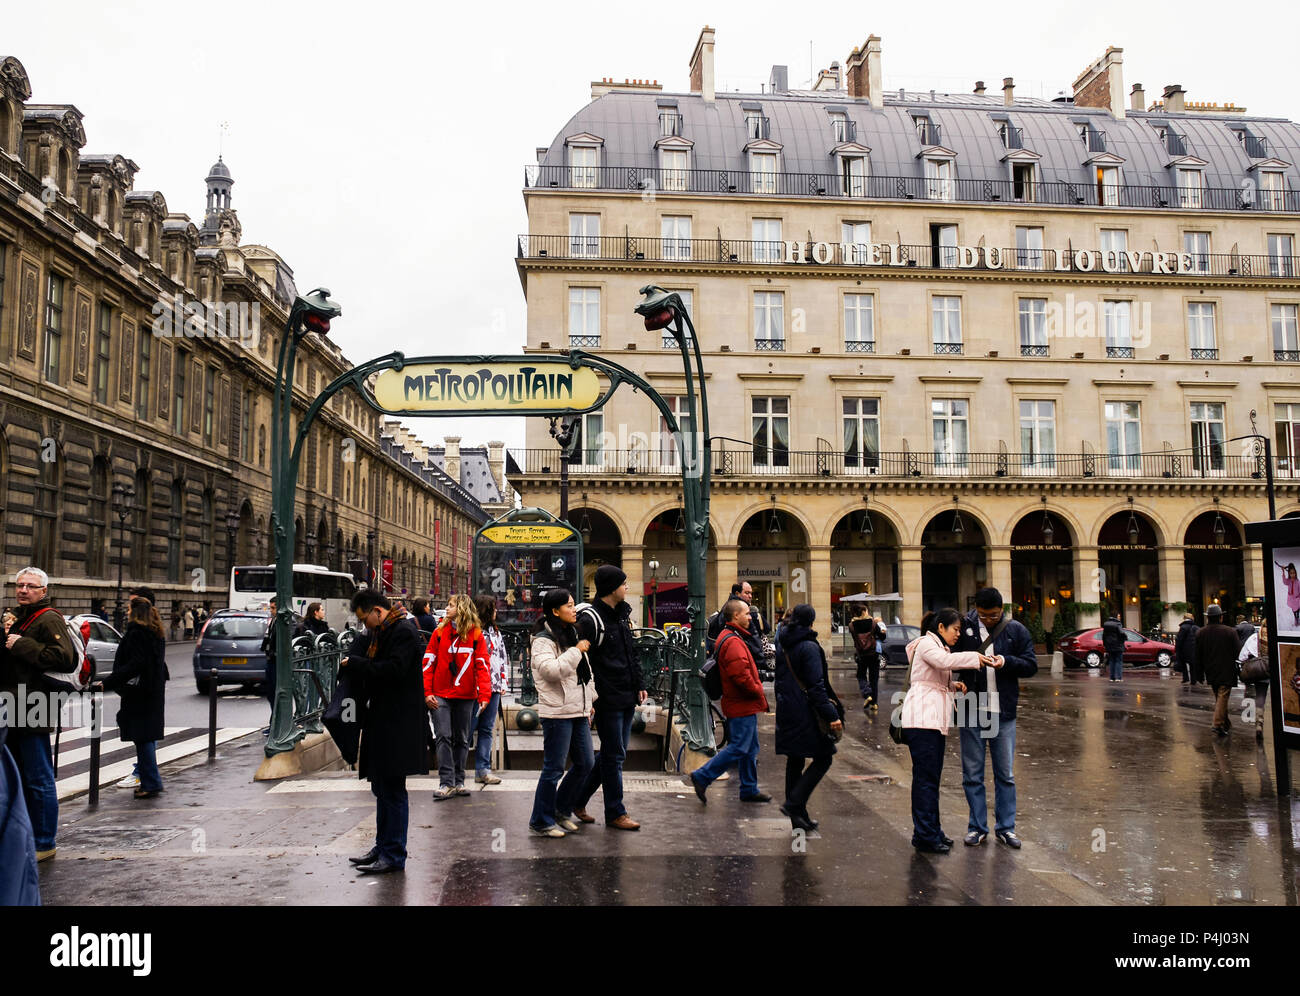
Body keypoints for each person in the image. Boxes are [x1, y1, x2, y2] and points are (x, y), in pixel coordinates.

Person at [341, 589, 428, 874]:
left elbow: (393, 671)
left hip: (398, 723)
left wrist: (358, 664)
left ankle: (393, 853)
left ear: (378, 610)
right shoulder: (381, 632)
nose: (364, 625)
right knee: (381, 788)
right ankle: (383, 846)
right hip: (384, 721)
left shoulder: (402, 631)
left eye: (365, 619)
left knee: (393, 790)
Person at [0, 567, 76, 862]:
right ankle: (25, 834)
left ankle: (44, 840)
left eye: (31, 586)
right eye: (20, 585)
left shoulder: (48, 618)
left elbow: (64, 658)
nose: (23, 590)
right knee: (16, 774)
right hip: (14, 704)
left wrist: (22, 644)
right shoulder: (19, 618)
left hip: (34, 705)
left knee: (38, 776)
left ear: (43, 591)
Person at [955, 587, 1037, 849]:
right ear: (975, 609)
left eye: (993, 615)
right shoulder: (964, 628)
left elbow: (1031, 665)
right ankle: (977, 827)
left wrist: (1006, 661)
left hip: (1002, 708)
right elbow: (949, 660)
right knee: (972, 772)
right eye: (983, 615)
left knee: (1005, 773)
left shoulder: (1015, 630)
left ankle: (1006, 827)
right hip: (971, 706)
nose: (988, 620)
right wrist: (971, 661)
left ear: (1002, 610)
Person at [901, 608, 988, 854]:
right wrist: (975, 658)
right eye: (955, 629)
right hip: (922, 721)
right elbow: (943, 663)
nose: (958, 634)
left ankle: (931, 831)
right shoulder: (928, 645)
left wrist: (952, 684)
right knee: (925, 781)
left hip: (931, 722)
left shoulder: (938, 647)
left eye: (960, 630)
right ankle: (925, 835)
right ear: (941, 627)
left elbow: (934, 675)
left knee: (930, 780)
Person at [571, 565, 646, 830]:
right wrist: (590, 697)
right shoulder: (592, 620)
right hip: (607, 696)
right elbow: (581, 658)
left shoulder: (621, 615)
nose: (627, 587)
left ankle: (577, 800)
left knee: (612, 754)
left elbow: (630, 652)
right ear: (612, 588)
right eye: (623, 583)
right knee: (614, 755)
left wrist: (639, 683)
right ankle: (615, 813)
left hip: (626, 694)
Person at [688, 597, 771, 805]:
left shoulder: (731, 636)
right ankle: (703, 775)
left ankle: (749, 788)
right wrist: (757, 690)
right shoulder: (733, 641)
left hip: (741, 703)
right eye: (746, 613)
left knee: (750, 747)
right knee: (739, 747)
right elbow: (740, 675)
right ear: (736, 616)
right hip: (741, 703)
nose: (750, 617)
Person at [527, 588, 596, 837]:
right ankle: (540, 820)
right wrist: (576, 650)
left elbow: (585, 674)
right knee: (554, 768)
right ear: (555, 611)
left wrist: (591, 701)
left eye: (574, 604)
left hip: (577, 709)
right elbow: (552, 671)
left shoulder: (571, 633)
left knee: (586, 763)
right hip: (557, 712)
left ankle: (561, 809)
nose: (574, 608)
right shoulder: (543, 640)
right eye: (568, 605)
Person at [774, 603, 843, 831]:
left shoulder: (783, 642)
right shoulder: (809, 647)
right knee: (824, 758)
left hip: (787, 708)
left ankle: (798, 817)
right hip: (806, 712)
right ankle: (794, 804)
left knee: (795, 759)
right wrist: (831, 715)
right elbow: (816, 686)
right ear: (812, 621)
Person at [99, 596, 169, 799]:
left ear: (135, 612)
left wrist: (109, 682)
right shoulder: (156, 632)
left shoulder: (137, 633)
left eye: (129, 608)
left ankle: (151, 782)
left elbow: (135, 664)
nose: (127, 611)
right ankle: (151, 781)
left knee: (143, 738)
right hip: (151, 692)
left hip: (139, 693)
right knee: (145, 737)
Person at [423, 594, 490, 800]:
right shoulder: (439, 633)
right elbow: (428, 663)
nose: (447, 609)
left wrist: (484, 694)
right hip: (441, 694)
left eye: (450, 605)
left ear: (461, 609)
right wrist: (427, 692)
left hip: (466, 694)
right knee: (443, 735)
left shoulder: (476, 635)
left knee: (462, 738)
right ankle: (446, 781)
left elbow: (483, 665)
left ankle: (459, 781)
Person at [469, 596, 507, 786]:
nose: (496, 611)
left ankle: (482, 769)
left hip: (493, 687)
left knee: (486, 729)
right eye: (493, 608)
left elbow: (502, 656)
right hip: (475, 688)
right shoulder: (472, 632)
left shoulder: (495, 632)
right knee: (467, 729)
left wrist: (502, 683)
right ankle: (455, 771)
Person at [1197, 604, 1241, 737]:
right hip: (1226, 669)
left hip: (1210, 669)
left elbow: (1197, 655)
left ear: (1208, 618)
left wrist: (1199, 673)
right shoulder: (1230, 631)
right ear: (1220, 617)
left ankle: (1225, 723)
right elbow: (1238, 651)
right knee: (1222, 695)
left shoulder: (1201, 633)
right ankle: (1217, 724)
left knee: (1219, 696)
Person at [707, 581, 768, 664]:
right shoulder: (733, 610)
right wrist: (760, 660)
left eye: (751, 593)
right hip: (741, 658)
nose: (750, 596)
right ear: (737, 593)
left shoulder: (731, 608)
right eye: (746, 593)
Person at [1238, 620, 1270, 742]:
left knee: (1260, 695)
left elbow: (1243, 656)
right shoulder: (1275, 636)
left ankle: (1259, 723)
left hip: (1259, 670)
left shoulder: (1255, 637)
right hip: (1274, 670)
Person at [849, 605, 876, 710]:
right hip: (873, 653)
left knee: (861, 675)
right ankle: (873, 701)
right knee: (873, 677)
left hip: (861, 654)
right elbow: (881, 636)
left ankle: (867, 694)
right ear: (864, 612)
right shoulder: (872, 623)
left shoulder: (851, 625)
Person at [1175, 612, 1199, 685]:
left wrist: (1177, 649)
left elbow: (1180, 640)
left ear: (1184, 618)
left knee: (1183, 664)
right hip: (1194, 649)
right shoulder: (1196, 627)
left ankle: (1185, 678)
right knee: (1192, 665)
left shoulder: (1183, 627)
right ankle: (1193, 680)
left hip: (1184, 650)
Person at [1102, 612, 1125, 682]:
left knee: (1112, 661)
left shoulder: (1106, 624)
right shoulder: (1118, 623)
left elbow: (1104, 636)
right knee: (1118, 661)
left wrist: (1105, 644)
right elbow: (1121, 633)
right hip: (1118, 645)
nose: (1119, 617)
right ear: (1115, 616)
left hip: (1109, 646)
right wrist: (1124, 638)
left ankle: (1112, 677)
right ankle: (1118, 677)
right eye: (1118, 616)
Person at [1277, 562, 1300, 627]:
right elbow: (1284, 582)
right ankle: (1296, 618)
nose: (1293, 575)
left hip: (1297, 599)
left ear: (1295, 573)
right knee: (1294, 610)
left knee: (1297, 610)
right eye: (1291, 573)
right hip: (1291, 599)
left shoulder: (1298, 582)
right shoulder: (1289, 581)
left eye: (1294, 573)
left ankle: (1297, 620)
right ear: (1289, 574)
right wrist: (1283, 572)